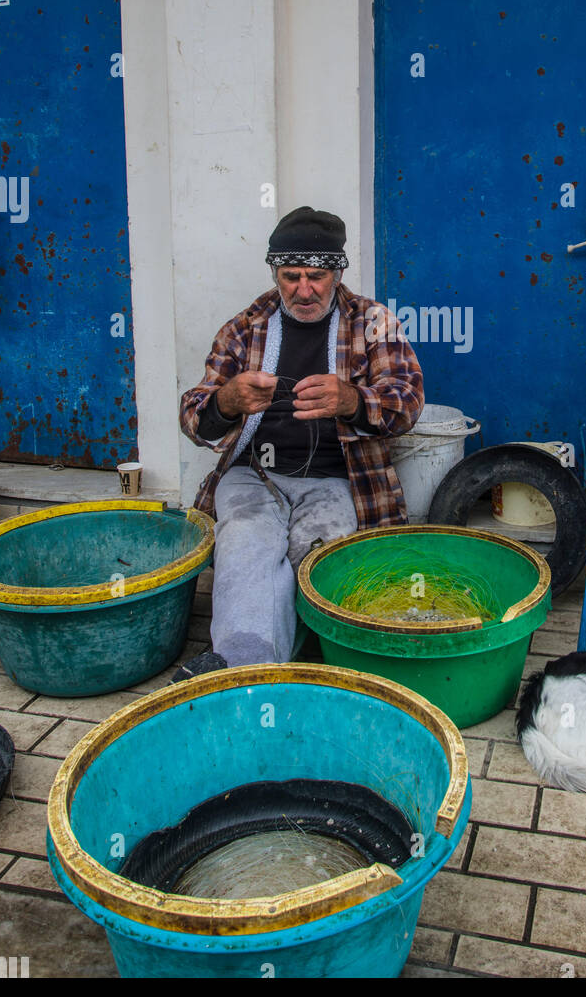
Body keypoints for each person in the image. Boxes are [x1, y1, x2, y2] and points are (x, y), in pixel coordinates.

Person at [177, 206, 424, 677]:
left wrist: (352, 399)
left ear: (337, 271)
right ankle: (242, 670)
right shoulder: (246, 327)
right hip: (254, 474)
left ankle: (303, 659)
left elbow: (408, 402)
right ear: (275, 272)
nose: (303, 290)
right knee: (248, 542)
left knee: (315, 550)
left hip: (337, 479)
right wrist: (227, 401)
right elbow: (193, 415)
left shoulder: (373, 322)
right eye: (291, 277)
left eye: (316, 276)